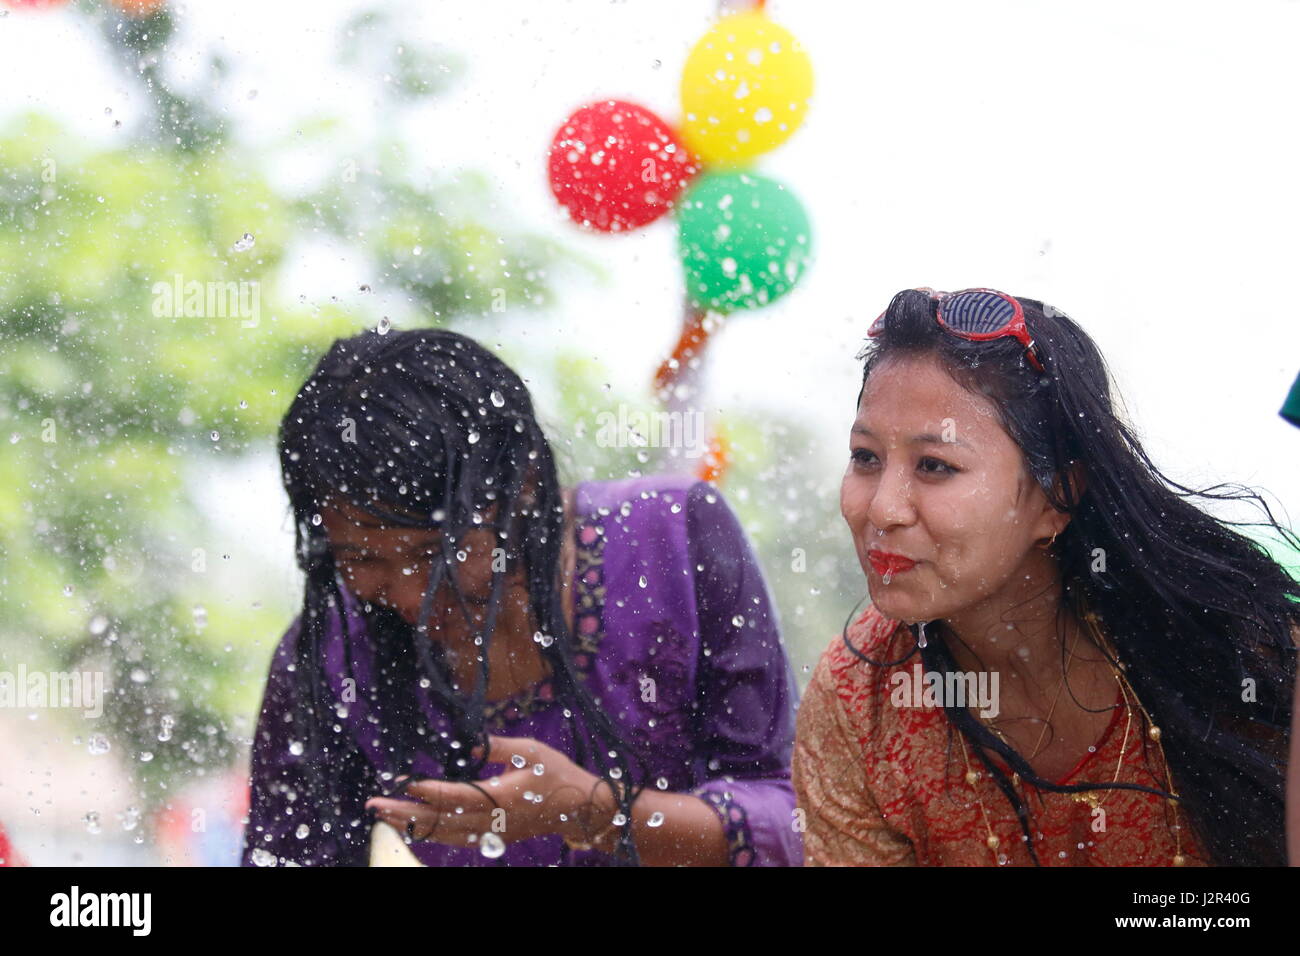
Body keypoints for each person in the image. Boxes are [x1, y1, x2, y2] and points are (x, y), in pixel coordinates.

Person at [241, 328, 801, 866]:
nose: (412, 598)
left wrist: (594, 813)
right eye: (363, 560)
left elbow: (795, 821)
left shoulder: (672, 540)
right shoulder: (330, 660)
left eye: (437, 553)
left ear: (525, 485)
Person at [794, 287, 1299, 866]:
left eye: (935, 465)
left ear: (1057, 494)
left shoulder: (1233, 650)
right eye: (865, 457)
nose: (882, 509)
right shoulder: (858, 703)